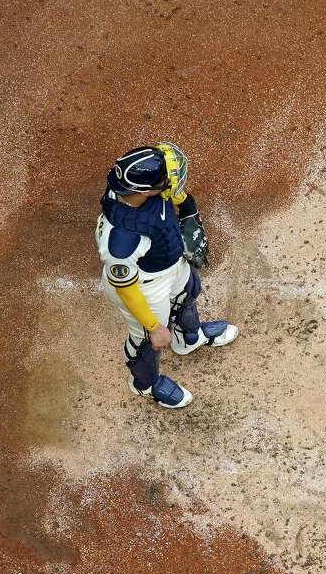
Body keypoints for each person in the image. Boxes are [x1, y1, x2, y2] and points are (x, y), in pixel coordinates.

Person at [94, 142, 239, 408]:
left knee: (188, 292)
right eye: (166, 182)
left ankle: (188, 338)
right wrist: (154, 327)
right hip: (144, 289)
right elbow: (126, 288)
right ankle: (145, 385)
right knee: (146, 342)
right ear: (147, 191)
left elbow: (169, 196)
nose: (173, 183)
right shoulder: (121, 241)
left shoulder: (131, 191)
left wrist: (186, 206)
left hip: (167, 266)